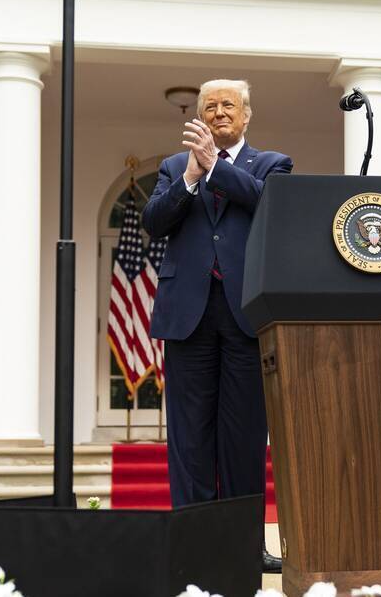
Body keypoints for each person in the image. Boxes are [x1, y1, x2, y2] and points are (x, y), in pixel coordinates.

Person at [143, 79, 293, 573]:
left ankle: (244, 546)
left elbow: (269, 206)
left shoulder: (273, 164)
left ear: (247, 115)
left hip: (245, 314)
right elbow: (154, 222)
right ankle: (192, 544)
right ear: (198, 117)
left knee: (244, 437)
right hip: (187, 317)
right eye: (210, 106)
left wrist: (215, 169)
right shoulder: (171, 167)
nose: (219, 112)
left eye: (229, 105)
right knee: (188, 439)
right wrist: (189, 178)